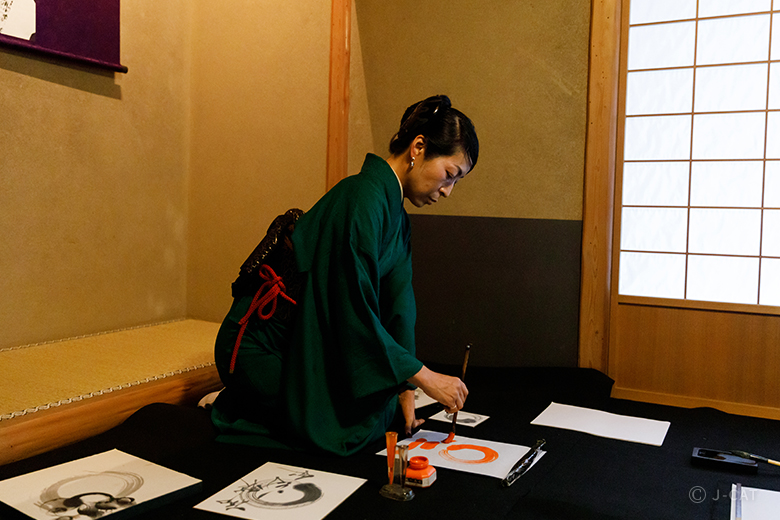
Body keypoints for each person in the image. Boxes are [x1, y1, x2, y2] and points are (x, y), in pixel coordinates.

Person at [211, 94, 479, 456]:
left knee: (379, 414)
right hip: (265, 346)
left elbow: (399, 308)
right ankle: (236, 403)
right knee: (342, 429)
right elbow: (349, 309)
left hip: (316, 336)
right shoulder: (359, 199)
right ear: (419, 147)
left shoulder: (396, 217)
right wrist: (426, 377)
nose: (447, 191)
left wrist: (404, 390)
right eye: (449, 175)